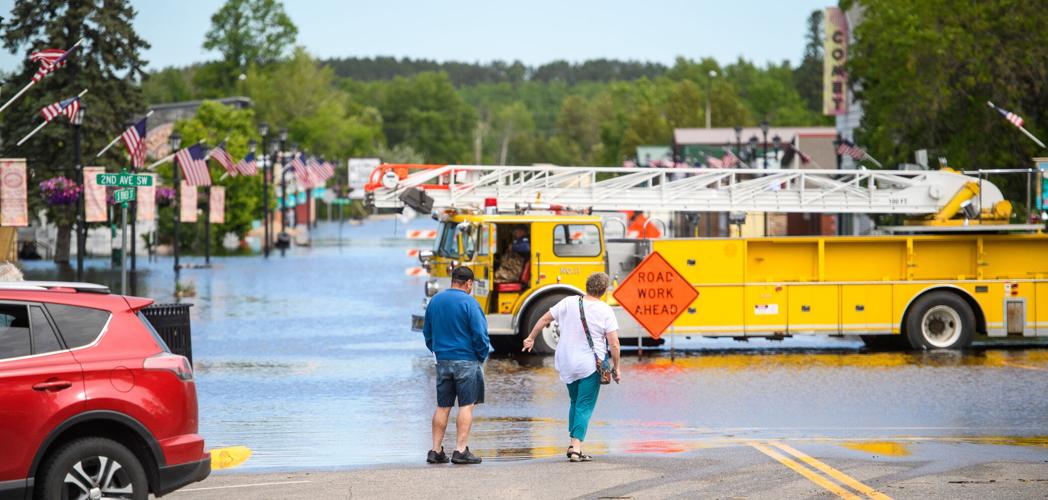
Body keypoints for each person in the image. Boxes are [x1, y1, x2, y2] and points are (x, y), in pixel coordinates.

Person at [522, 272, 621, 462]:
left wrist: (531, 338)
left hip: (566, 362)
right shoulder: (605, 310)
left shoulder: (568, 302)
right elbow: (614, 344)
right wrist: (617, 367)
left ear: (587, 286)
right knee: (584, 405)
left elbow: (544, 319)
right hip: (590, 365)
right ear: (604, 290)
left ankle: (571, 443)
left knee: (575, 402)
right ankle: (576, 448)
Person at [422, 266, 490, 465]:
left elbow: (427, 332)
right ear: (469, 283)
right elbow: (479, 334)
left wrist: (437, 351)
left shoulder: (435, 301)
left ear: (453, 280)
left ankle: (435, 450)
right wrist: (481, 355)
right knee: (466, 406)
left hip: (442, 360)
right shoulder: (470, 303)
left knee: (443, 406)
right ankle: (460, 450)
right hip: (466, 360)